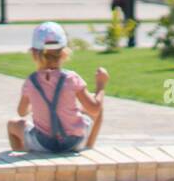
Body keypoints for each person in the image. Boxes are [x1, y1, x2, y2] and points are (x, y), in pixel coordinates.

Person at [7, 22, 108, 153]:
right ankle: (87, 148)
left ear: (33, 54)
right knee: (96, 102)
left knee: (12, 124)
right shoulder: (71, 78)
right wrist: (101, 85)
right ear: (64, 53)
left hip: (42, 143)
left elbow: (21, 112)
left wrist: (37, 104)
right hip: (74, 141)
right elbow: (94, 109)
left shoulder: (30, 82)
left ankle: (26, 155)